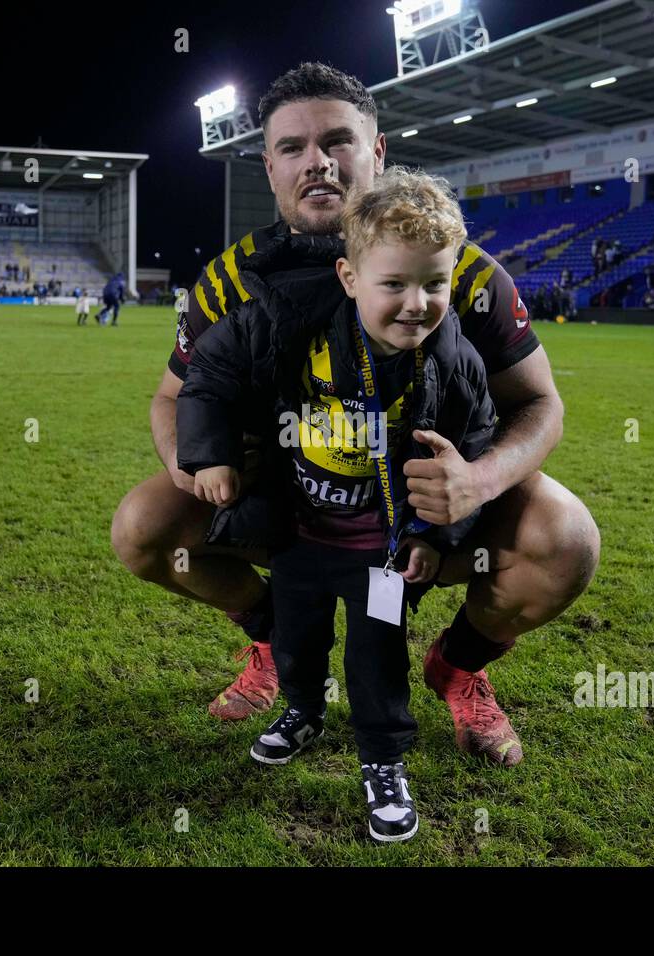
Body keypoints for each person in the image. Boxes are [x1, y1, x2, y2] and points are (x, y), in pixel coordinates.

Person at [110, 62, 599, 766]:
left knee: (567, 538)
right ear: (269, 166)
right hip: (291, 513)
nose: (317, 162)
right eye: (292, 147)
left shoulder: (461, 273)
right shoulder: (228, 281)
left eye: (338, 141)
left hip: (429, 519)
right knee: (144, 527)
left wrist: (481, 481)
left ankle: (457, 666)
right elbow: (171, 397)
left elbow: (541, 403)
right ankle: (276, 645)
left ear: (377, 151)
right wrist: (194, 466)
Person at [177, 169, 494, 841]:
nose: (417, 304)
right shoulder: (287, 322)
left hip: (382, 552)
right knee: (295, 639)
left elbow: (472, 444)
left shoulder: (453, 358)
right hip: (299, 535)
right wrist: (208, 453)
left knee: (377, 655)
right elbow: (208, 373)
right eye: (394, 284)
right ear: (349, 278)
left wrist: (436, 536)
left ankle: (383, 759)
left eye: (435, 284)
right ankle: (302, 710)